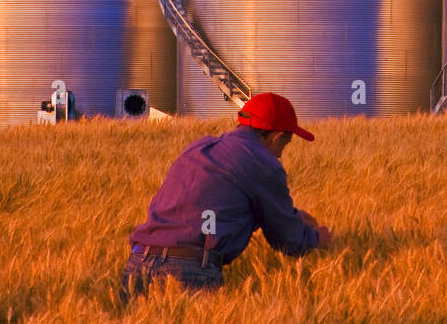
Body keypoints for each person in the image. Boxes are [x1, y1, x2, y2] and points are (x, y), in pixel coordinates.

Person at [120, 91, 331, 299]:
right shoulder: (263, 162)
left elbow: (215, 207)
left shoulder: (199, 147)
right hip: (189, 271)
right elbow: (289, 241)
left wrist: (290, 217)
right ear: (278, 137)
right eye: (285, 144)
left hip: (138, 263)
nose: (280, 154)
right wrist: (318, 238)